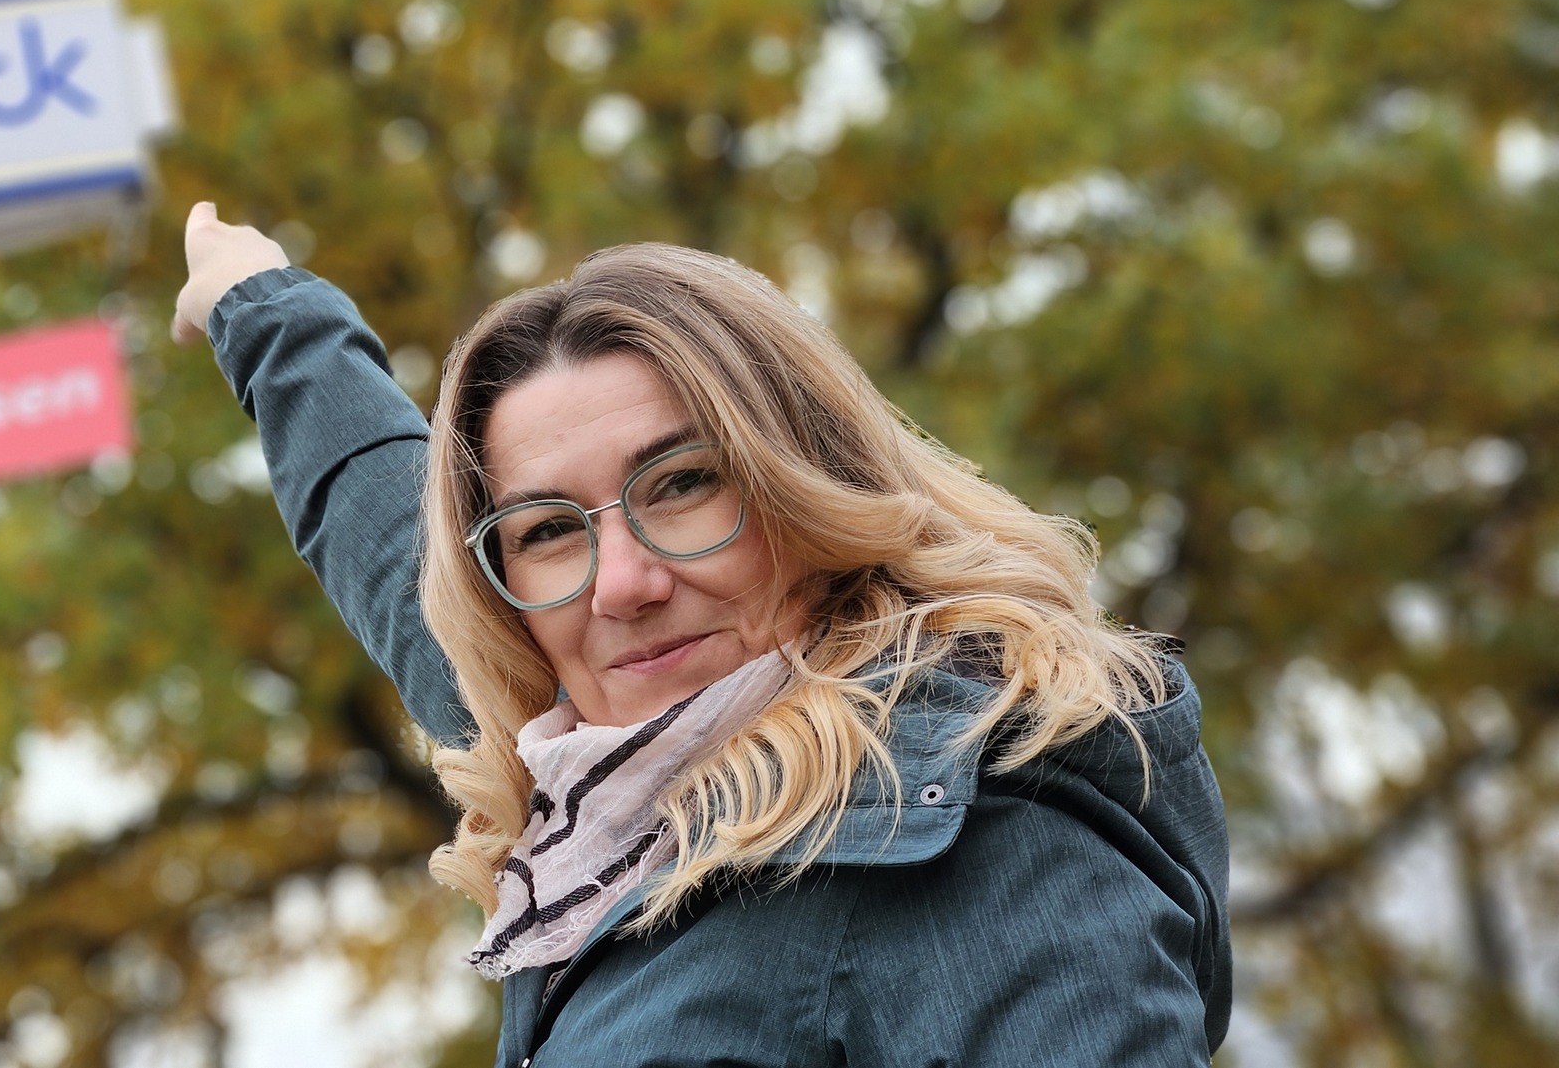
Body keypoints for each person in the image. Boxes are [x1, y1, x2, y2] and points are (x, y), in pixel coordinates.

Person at [172, 201, 1231, 1066]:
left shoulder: (973, 847)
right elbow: (394, 554)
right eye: (546, 530)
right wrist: (261, 307)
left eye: (679, 484)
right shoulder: (598, 783)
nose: (621, 585)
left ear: (811, 486)